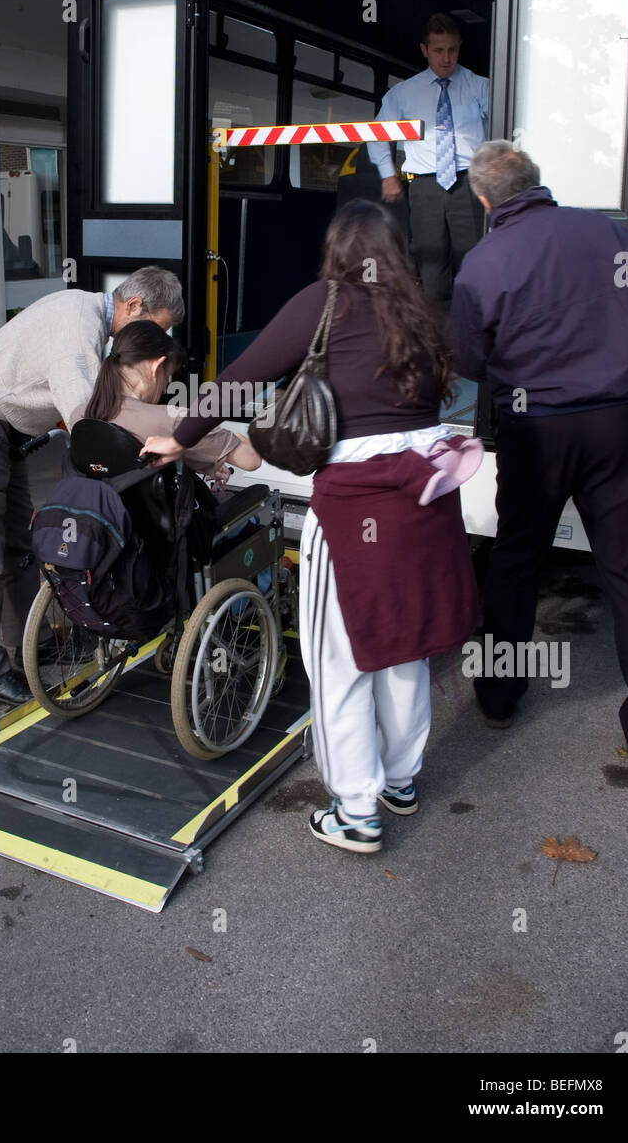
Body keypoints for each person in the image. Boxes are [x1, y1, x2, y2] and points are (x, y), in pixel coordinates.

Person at [144, 201, 481, 854]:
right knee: (403, 645)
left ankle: (356, 810)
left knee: (341, 657)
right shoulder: (423, 310)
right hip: (426, 504)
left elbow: (240, 378)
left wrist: (177, 437)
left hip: (358, 511)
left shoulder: (326, 301)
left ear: (338, 249)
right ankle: (401, 781)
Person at [448, 141, 628, 758]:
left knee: (516, 561)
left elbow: (467, 359)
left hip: (534, 429)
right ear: (538, 182)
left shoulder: (483, 264)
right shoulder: (612, 236)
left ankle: (498, 699)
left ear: (484, 200)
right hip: (619, 422)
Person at [0, 267, 184, 707]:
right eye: (154, 327)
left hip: (2, 431)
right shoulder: (78, 326)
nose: (152, 345)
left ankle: (31, 644)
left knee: (17, 545)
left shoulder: (87, 317)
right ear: (133, 307)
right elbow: (86, 420)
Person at [366, 13, 489, 306]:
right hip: (424, 188)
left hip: (470, 185)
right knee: (431, 267)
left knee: (473, 265)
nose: (446, 58)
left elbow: (504, 131)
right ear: (424, 50)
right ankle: (437, 341)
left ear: (460, 46)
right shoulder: (403, 93)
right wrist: (387, 174)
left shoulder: (481, 87)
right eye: (438, 50)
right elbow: (378, 133)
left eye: (452, 50)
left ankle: (471, 340)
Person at [78, 319, 260, 480]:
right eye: (168, 376)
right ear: (156, 367)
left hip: (108, 514)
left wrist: (198, 459)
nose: (165, 388)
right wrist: (228, 433)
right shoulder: (173, 420)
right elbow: (252, 459)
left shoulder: (81, 414)